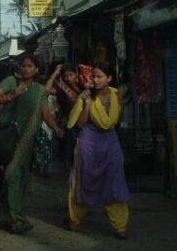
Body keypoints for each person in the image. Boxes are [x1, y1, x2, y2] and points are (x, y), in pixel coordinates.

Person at [0, 54, 61, 235]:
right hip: (8, 137)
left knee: (19, 179)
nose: (26, 68)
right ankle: (16, 217)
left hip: (27, 140)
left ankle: (6, 215)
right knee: (10, 175)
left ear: (36, 70)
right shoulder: (11, 82)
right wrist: (11, 97)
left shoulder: (39, 90)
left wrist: (57, 128)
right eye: (23, 65)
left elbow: (45, 113)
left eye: (30, 66)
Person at [66, 62, 130, 239]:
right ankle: (75, 219)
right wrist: (87, 104)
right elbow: (79, 123)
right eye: (93, 76)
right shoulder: (85, 95)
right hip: (89, 142)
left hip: (110, 142)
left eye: (99, 76)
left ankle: (120, 226)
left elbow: (114, 121)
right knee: (83, 180)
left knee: (115, 180)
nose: (95, 80)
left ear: (109, 78)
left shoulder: (116, 94)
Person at [49, 63, 82, 173]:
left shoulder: (84, 85)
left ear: (76, 73)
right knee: (69, 151)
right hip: (69, 124)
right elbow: (46, 89)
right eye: (65, 76)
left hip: (86, 123)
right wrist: (55, 73)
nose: (68, 78)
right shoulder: (62, 89)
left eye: (71, 75)